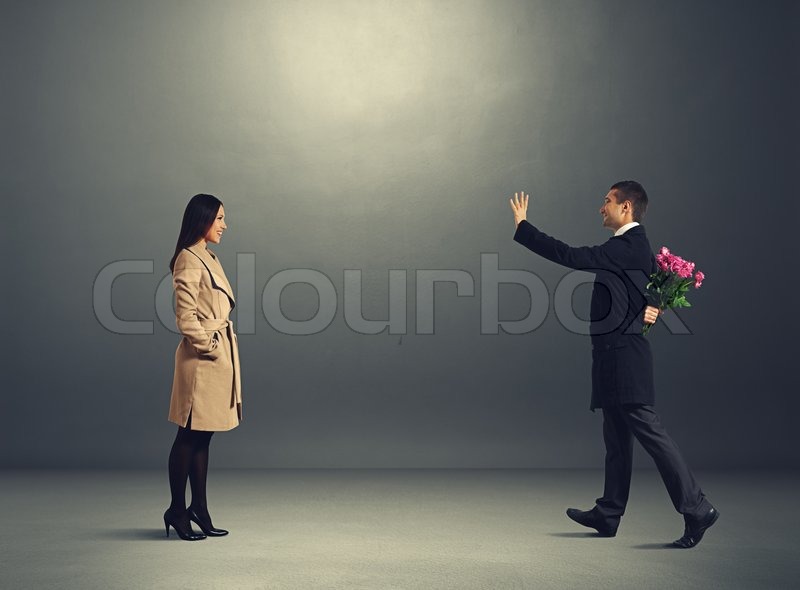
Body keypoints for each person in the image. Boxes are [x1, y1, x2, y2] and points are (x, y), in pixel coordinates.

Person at [509, 181, 718, 548]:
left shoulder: (626, 245)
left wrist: (524, 228)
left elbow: (572, 256)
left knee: (649, 432)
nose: (600, 207)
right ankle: (608, 514)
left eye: (606, 201)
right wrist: (653, 306)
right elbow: (653, 284)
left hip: (625, 357)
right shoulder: (636, 248)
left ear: (626, 208)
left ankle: (697, 508)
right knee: (617, 439)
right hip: (612, 354)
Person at [164, 193, 243, 541]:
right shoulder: (189, 259)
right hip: (202, 359)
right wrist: (209, 345)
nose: (225, 225)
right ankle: (177, 510)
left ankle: (200, 508)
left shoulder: (207, 256)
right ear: (203, 219)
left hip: (217, 356)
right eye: (220, 218)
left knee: (203, 437)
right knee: (188, 436)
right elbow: (185, 316)